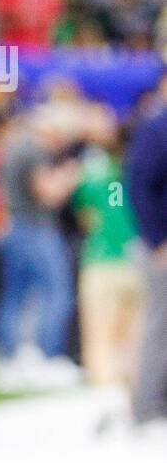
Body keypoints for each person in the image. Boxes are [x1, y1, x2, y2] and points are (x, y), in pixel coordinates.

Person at [0, 102, 83, 392]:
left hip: (15, 225)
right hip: (36, 228)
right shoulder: (34, 150)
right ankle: (48, 355)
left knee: (15, 295)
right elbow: (49, 194)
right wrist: (71, 175)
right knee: (57, 292)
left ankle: (10, 359)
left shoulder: (14, 147)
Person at [72, 103, 141, 399]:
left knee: (99, 339)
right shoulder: (144, 173)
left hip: (102, 260)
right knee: (135, 339)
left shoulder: (94, 174)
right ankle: (135, 400)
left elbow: (86, 217)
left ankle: (104, 400)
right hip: (138, 259)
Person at [126, 72, 167, 424]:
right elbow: (139, 186)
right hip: (161, 246)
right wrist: (156, 241)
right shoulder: (156, 127)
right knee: (159, 326)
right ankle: (145, 408)